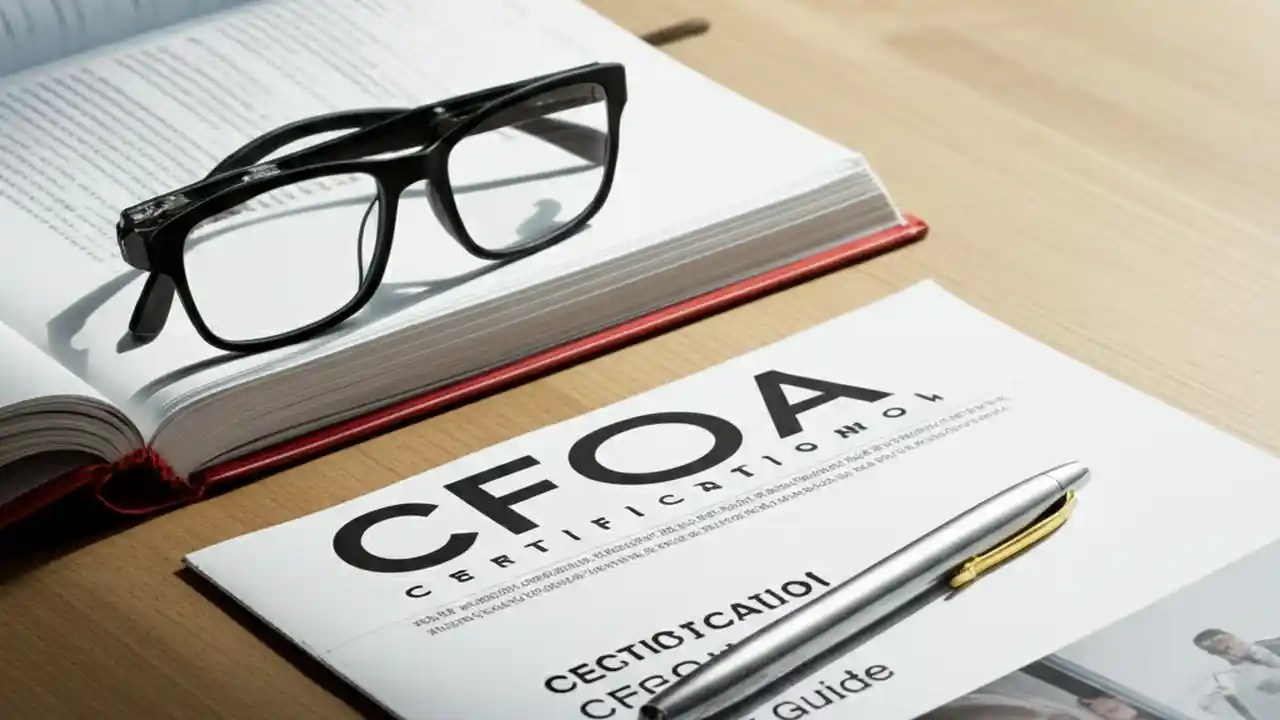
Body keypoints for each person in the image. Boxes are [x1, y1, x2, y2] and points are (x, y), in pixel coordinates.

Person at [1191, 628, 1280, 720]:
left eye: (1221, 640)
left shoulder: (1269, 646)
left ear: (1231, 636)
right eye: (1217, 648)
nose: (1228, 647)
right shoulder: (1235, 676)